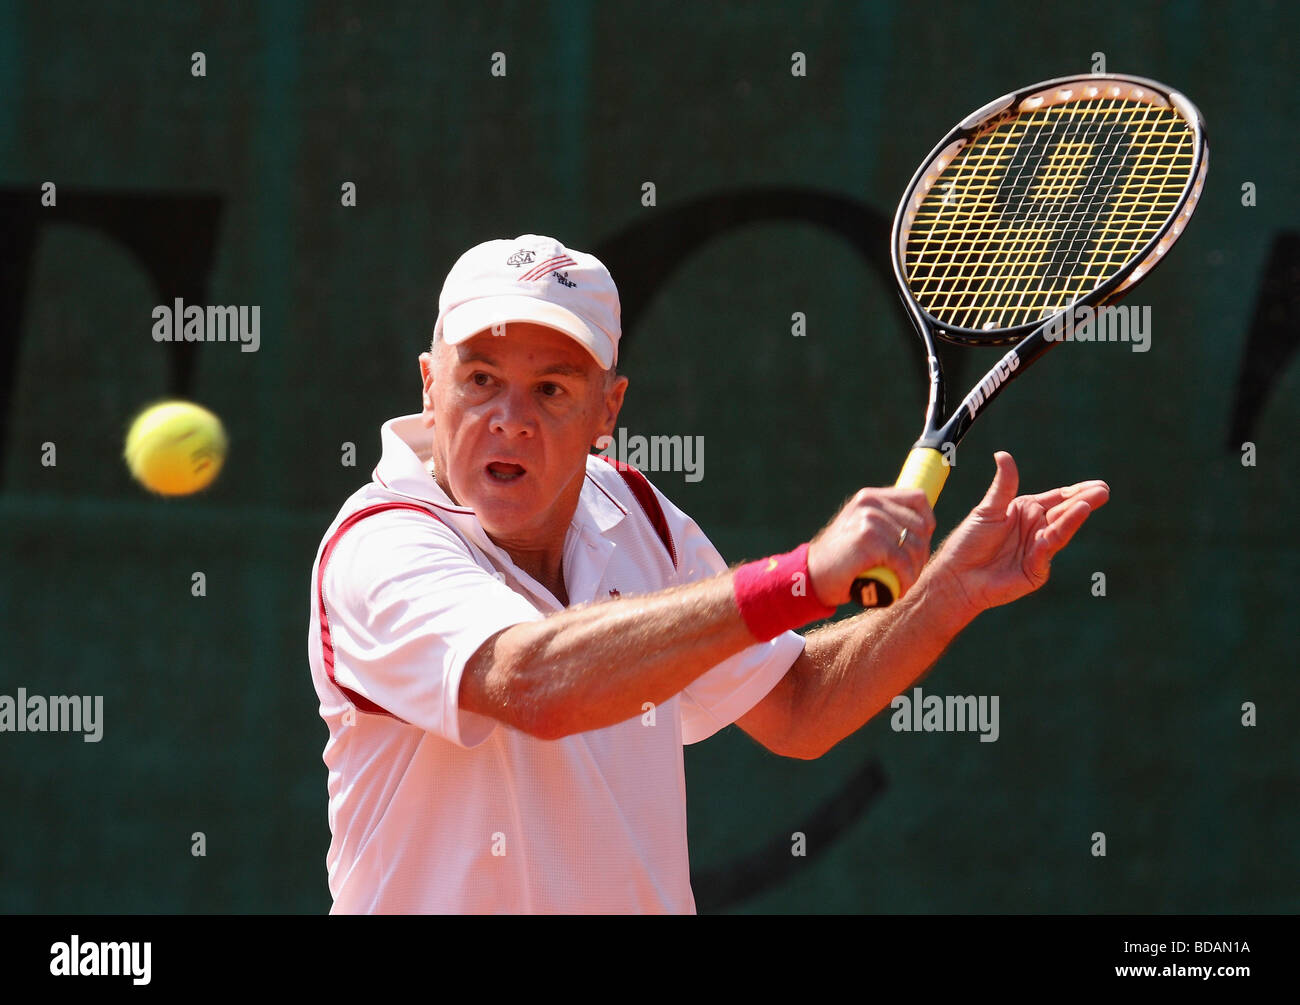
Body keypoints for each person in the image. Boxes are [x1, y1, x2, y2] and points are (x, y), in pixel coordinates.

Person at [307, 234, 1109, 914]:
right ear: (429, 384)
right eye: (480, 378)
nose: (508, 416)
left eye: (551, 388)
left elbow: (799, 707)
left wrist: (944, 594)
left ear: (607, 411)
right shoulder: (378, 548)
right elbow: (532, 682)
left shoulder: (640, 517)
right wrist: (804, 578)